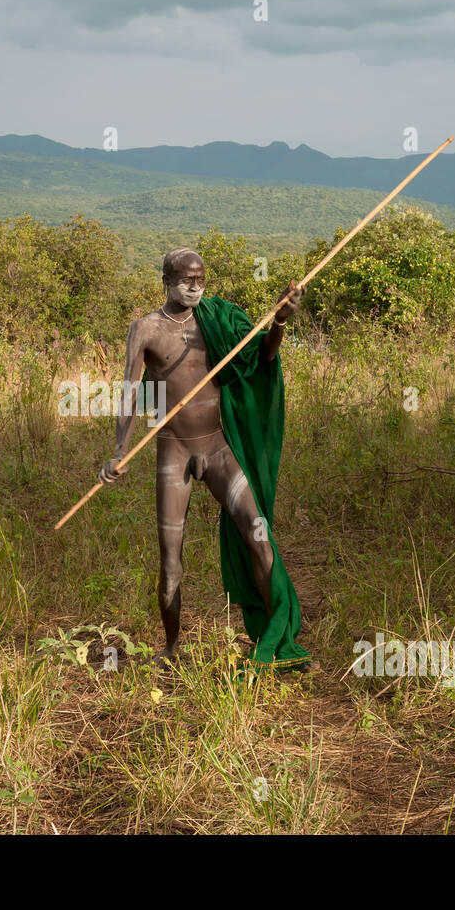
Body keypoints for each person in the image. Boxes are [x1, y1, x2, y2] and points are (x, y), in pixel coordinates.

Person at [99, 248, 317, 672]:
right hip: (173, 453)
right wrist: (119, 452)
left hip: (218, 448)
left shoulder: (217, 319)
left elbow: (262, 358)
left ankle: (277, 644)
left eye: (201, 278)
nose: (195, 286)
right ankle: (171, 647)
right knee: (171, 562)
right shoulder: (144, 329)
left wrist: (280, 321)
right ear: (166, 279)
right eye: (186, 278)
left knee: (259, 536)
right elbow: (129, 393)